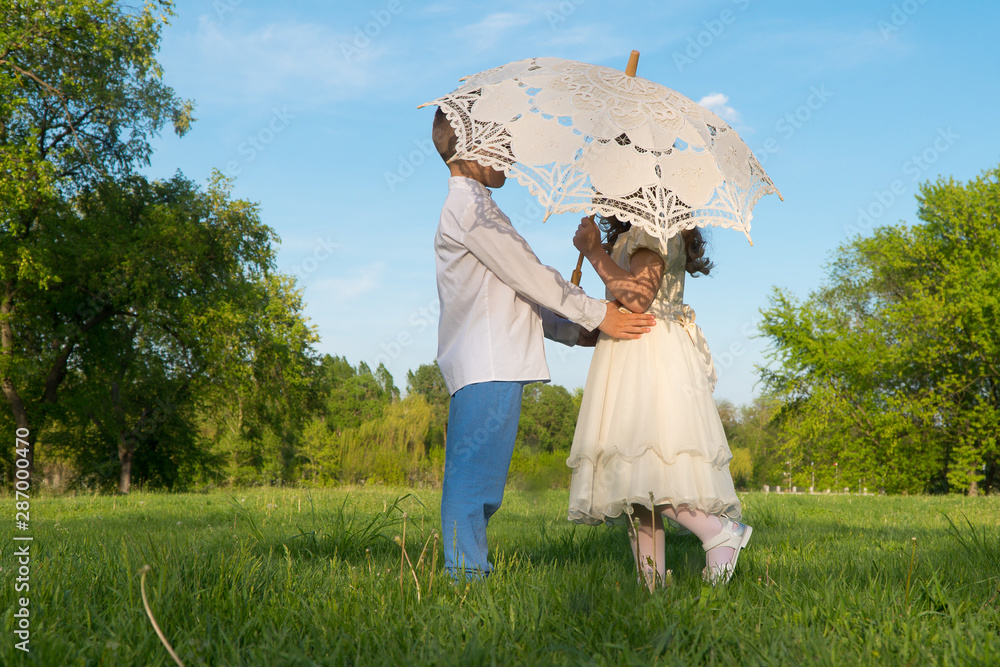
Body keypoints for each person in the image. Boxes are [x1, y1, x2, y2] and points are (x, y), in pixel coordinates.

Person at [431, 109, 657, 579]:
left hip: (495, 359)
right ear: (473, 150)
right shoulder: (469, 209)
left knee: (483, 482)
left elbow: (516, 295)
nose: (511, 157)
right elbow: (531, 277)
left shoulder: (480, 207)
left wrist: (576, 330)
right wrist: (598, 314)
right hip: (486, 360)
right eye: (501, 146)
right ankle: (466, 578)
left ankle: (466, 571)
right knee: (473, 486)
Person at [566, 214, 752, 589]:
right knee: (635, 484)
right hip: (634, 350)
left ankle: (719, 532)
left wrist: (594, 252)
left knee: (647, 472)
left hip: (647, 354)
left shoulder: (652, 228)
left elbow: (639, 297)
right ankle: (650, 585)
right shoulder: (635, 232)